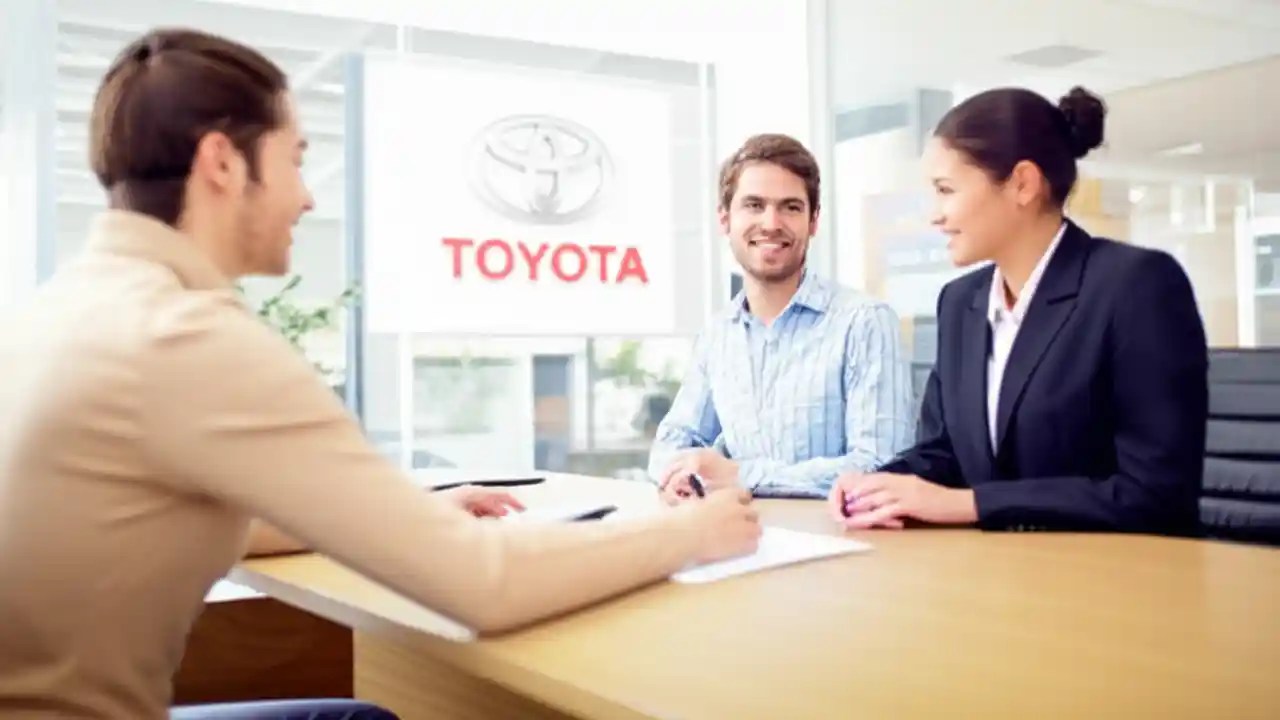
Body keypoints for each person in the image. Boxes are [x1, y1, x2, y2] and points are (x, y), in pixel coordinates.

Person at [0, 28, 761, 720]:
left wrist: (404, 513)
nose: (308, 196)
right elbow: (482, 585)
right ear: (223, 163)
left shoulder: (64, 310)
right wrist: (686, 532)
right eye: (295, 160)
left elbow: (188, 515)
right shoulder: (189, 336)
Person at [828, 86, 1208, 534]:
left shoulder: (1136, 286)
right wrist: (878, 486)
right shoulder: (960, 304)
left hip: (1115, 582)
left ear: (1022, 184)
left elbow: (1154, 495)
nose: (934, 214)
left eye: (946, 190)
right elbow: (944, 452)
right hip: (996, 577)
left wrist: (970, 505)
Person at [650, 134, 914, 503]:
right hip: (737, 540)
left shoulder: (864, 322)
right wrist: (684, 473)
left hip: (842, 547)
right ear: (725, 219)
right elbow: (674, 441)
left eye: (790, 207)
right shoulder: (718, 333)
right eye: (754, 205)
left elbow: (880, 465)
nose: (771, 223)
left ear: (813, 221)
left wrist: (742, 475)